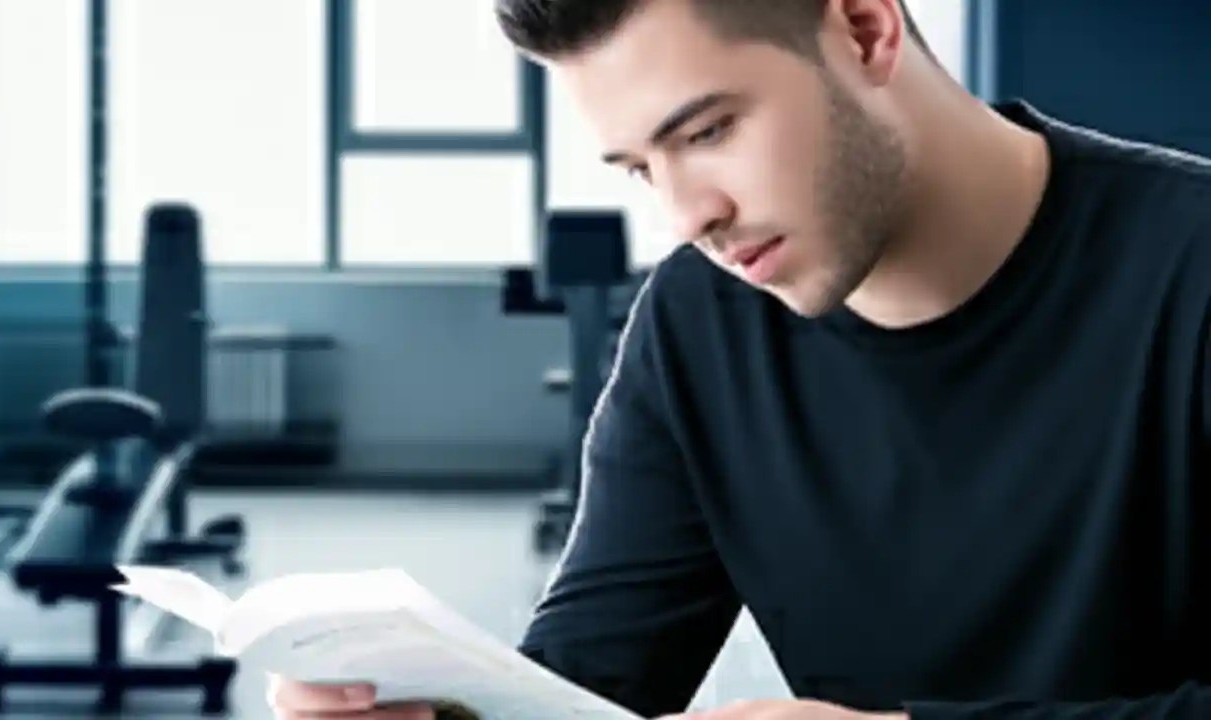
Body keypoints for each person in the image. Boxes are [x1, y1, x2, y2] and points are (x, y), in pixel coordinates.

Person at [269, 0, 1211, 717]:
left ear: (863, 27)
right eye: (643, 167)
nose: (687, 215)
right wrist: (437, 711)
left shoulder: (1194, 270)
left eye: (708, 131)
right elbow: (594, 681)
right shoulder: (696, 320)